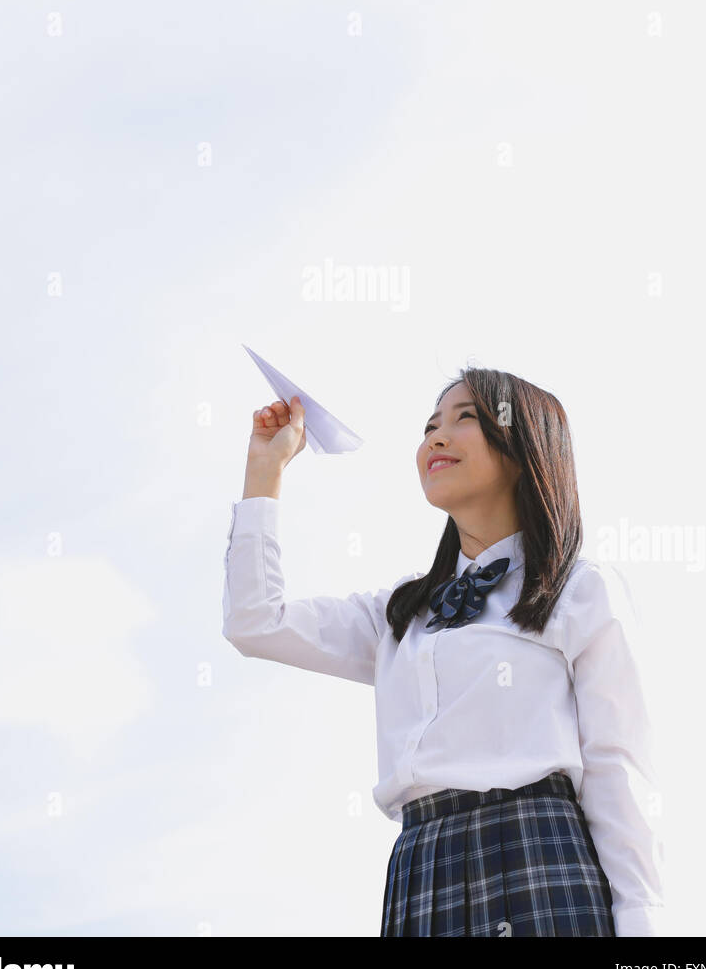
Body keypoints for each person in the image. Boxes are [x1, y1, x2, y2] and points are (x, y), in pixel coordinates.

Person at [222, 365, 667, 937]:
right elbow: (255, 622)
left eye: (466, 419)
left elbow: (617, 766)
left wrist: (645, 930)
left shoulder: (578, 590)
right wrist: (266, 470)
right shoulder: (401, 614)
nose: (436, 436)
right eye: (430, 424)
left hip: (538, 858)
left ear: (524, 446)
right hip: (420, 868)